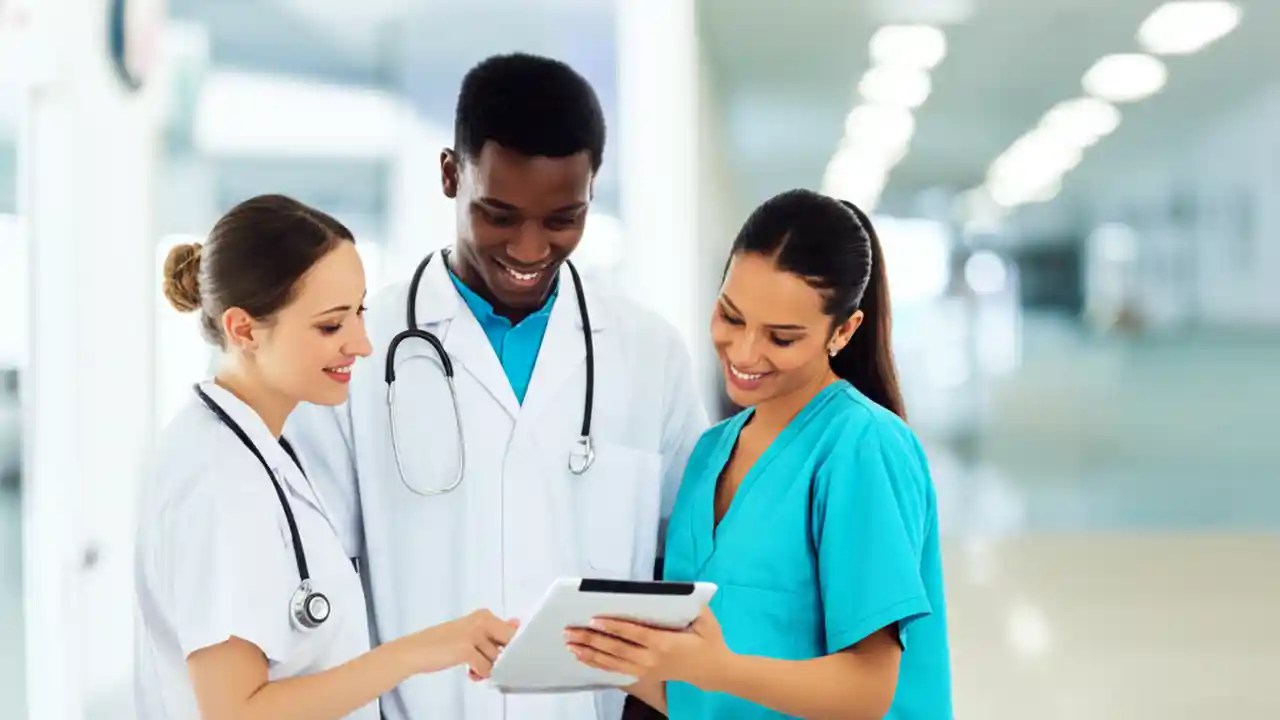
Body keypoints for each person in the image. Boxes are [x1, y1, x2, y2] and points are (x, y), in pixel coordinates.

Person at [286, 53, 708, 720]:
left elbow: (678, 565)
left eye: (563, 218)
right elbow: (315, 580)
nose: (530, 248)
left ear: (594, 186)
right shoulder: (358, 350)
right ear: (451, 174)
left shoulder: (648, 353)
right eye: (499, 214)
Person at [566, 189, 953, 719]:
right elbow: (697, 700)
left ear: (843, 331)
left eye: (782, 337)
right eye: (731, 316)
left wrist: (712, 668)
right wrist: (593, 658)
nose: (745, 352)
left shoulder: (861, 447)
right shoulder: (709, 454)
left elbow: (868, 689)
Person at [134, 195, 517, 720]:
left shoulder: (259, 450)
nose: (362, 344)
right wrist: (416, 653)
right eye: (331, 325)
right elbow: (236, 712)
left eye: (359, 311)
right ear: (243, 329)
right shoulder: (218, 478)